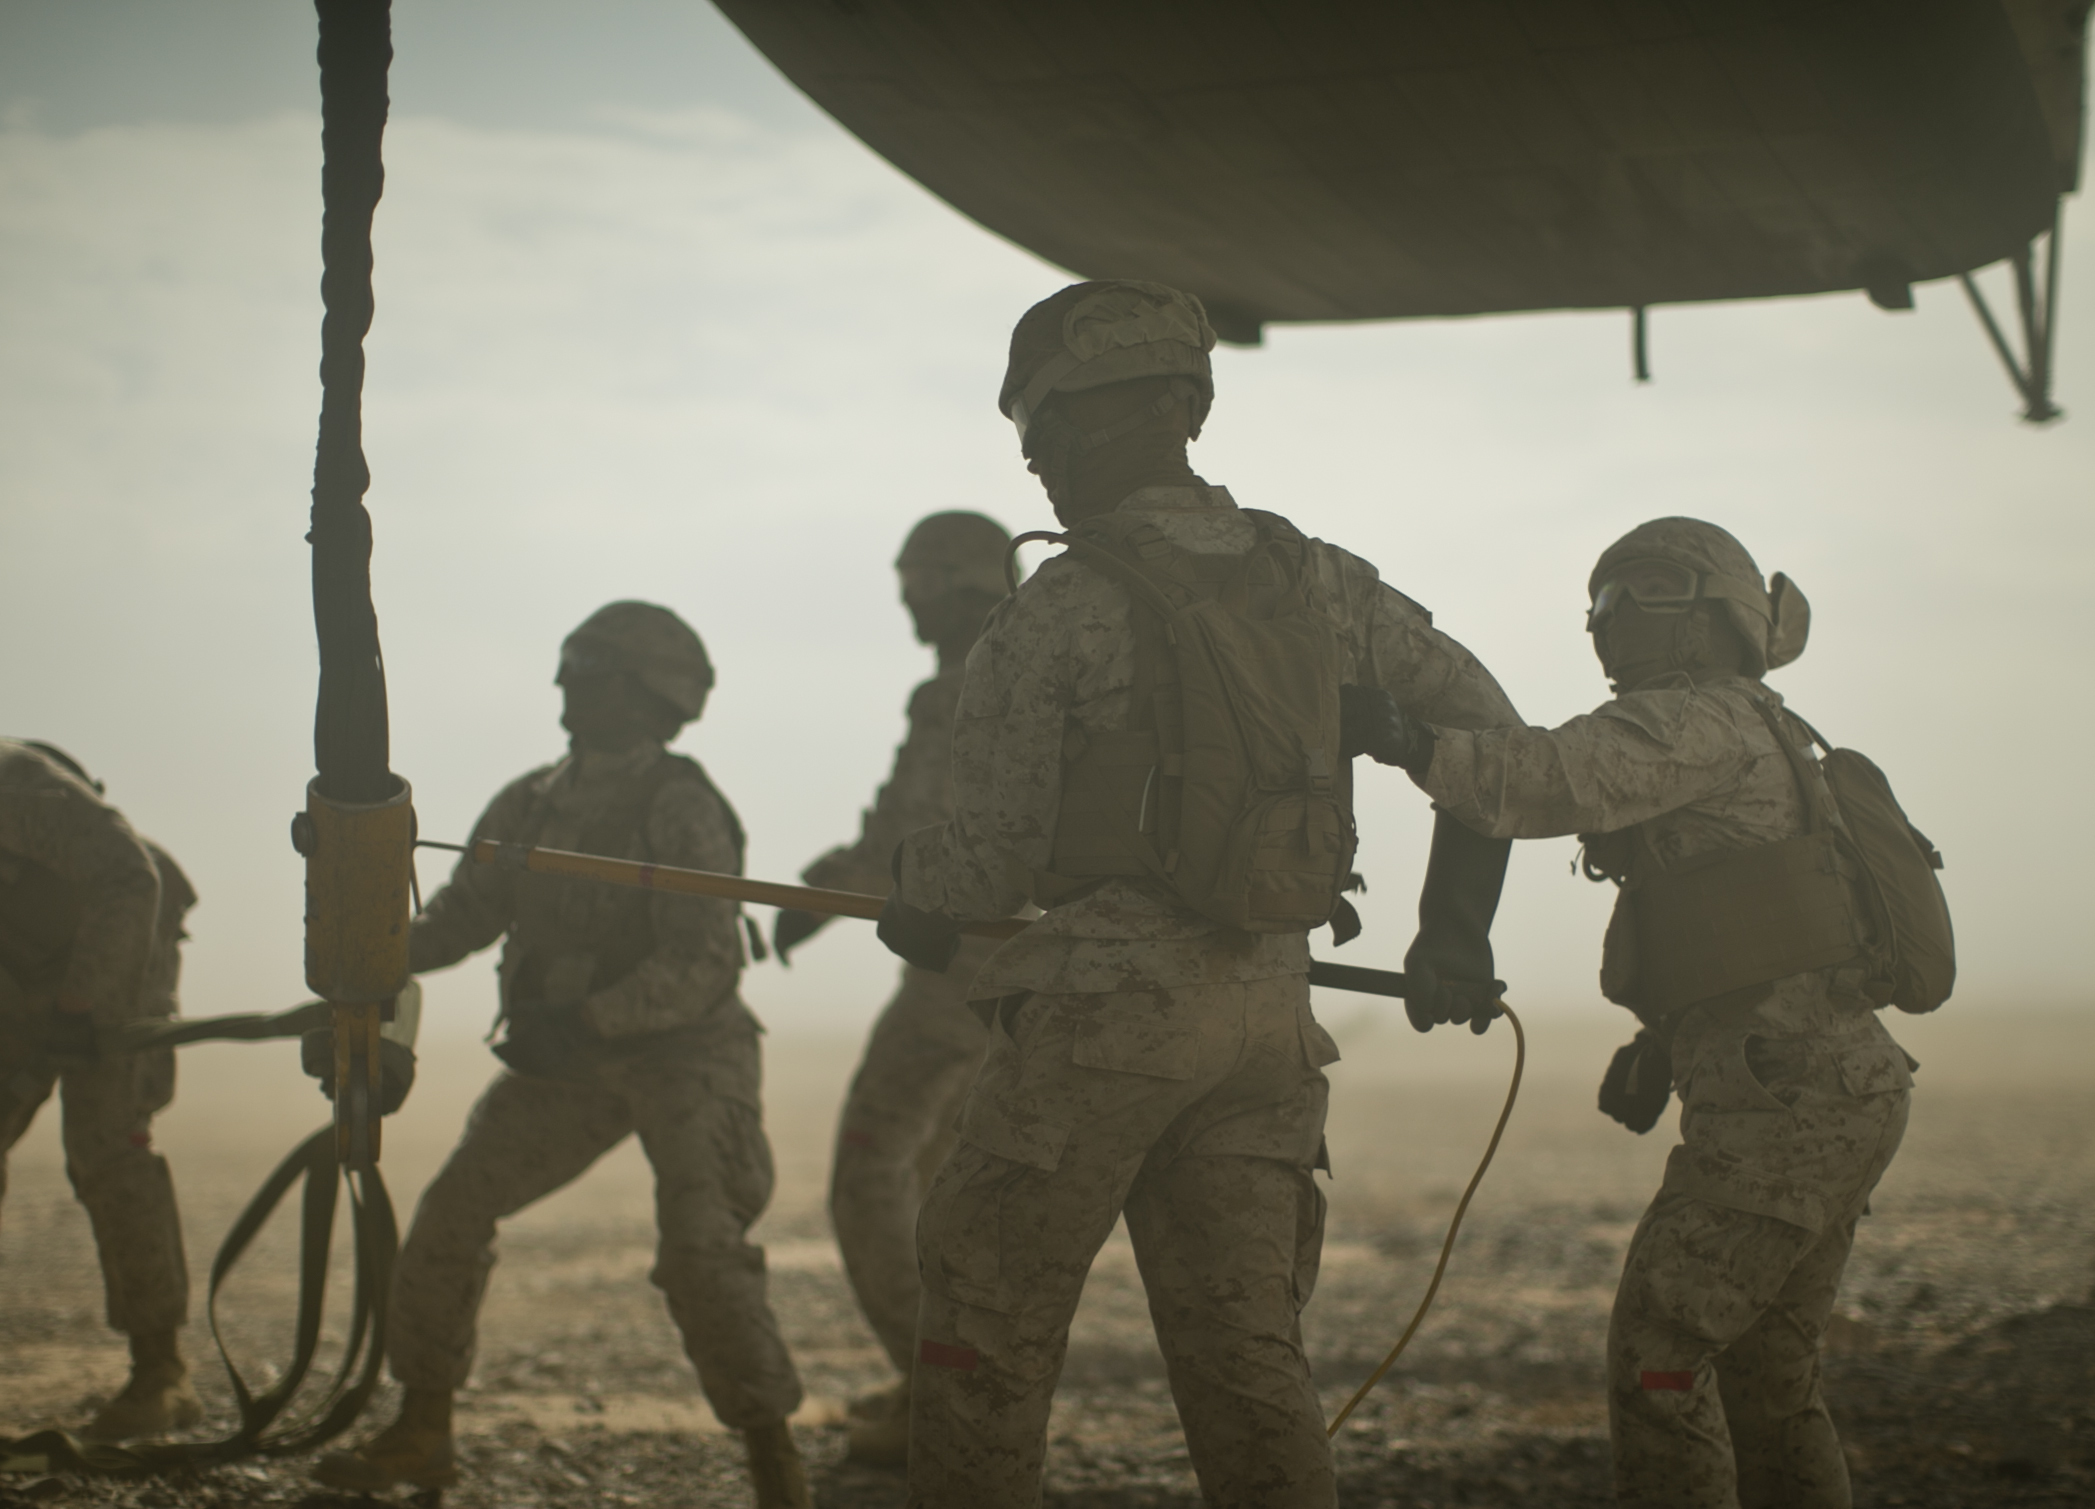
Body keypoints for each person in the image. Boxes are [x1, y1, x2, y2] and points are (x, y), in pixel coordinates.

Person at [877, 280, 1522, 1509]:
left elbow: (984, 869)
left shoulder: (1053, 609)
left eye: (1045, 428)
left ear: (1102, 420)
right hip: (1269, 1026)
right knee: (1247, 1359)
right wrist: (1453, 930)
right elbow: (1487, 733)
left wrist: (916, 893)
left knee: (980, 1328)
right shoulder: (1321, 583)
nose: (1036, 460)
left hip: (1101, 1030)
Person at [1395, 517, 1918, 1509]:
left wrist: (1404, 738)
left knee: (1659, 1359)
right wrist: (1664, 1039)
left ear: (1716, 618)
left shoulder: (1696, 722)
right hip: (1835, 1088)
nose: (1611, 620)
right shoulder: (1761, 728)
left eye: (1644, 593)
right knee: (1767, 1375)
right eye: (1599, 600)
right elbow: (1756, 922)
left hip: (1785, 1104)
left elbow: (1537, 779)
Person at [313, 602, 810, 1509]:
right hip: (568, 1063)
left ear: (650, 692)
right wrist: (362, 954)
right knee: (451, 1215)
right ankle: (424, 1428)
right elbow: (462, 916)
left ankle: (775, 1462)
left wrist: (586, 1019)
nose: (566, 683)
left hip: (684, 1058)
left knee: (702, 1254)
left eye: (591, 668)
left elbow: (702, 961)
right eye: (571, 664)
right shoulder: (532, 800)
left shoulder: (682, 806)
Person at [770, 510, 1012, 1465]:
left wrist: (833, 886)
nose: (908, 606)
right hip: (1009, 978)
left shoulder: (961, 691)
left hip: (961, 978)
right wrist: (839, 876)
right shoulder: (1032, 677)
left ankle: (939, 1399)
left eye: (917, 585)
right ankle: (938, 1382)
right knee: (934, 1186)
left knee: (869, 1174)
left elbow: (917, 839)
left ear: (955, 586)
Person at [0, 739, 201, 1441]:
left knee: (105, 1148)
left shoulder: (12, 785)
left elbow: (127, 877)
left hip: (123, 946)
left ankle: (162, 1374)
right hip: (26, 974)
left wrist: (79, 1003)